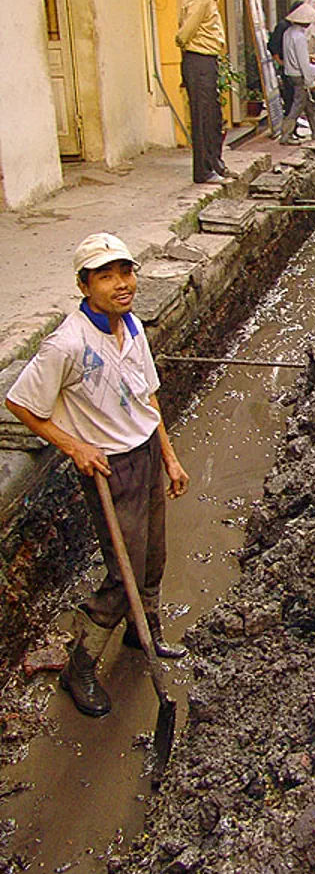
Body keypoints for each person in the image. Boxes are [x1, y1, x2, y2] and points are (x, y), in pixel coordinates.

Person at [5, 234, 190, 717]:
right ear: (84, 285)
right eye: (106, 276)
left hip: (146, 451)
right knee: (121, 571)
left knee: (153, 558)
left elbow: (148, 397)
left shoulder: (131, 325)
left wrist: (169, 457)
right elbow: (20, 402)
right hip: (112, 466)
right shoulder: (66, 344)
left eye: (125, 272)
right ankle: (79, 666)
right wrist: (74, 445)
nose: (121, 284)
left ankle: (141, 634)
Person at [176, 0, 230, 185]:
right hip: (198, 59)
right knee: (202, 117)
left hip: (206, 60)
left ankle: (213, 165)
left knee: (213, 116)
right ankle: (203, 171)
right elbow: (183, 34)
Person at [280, 3, 315, 143]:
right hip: (299, 74)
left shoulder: (288, 33)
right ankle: (285, 136)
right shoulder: (299, 37)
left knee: (308, 104)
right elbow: (303, 62)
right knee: (298, 105)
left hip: (290, 72)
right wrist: (310, 80)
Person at [268, 0, 303, 114]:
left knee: (295, 97)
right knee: (290, 96)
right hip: (287, 66)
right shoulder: (284, 26)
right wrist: (280, 61)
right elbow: (273, 45)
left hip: (292, 65)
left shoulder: (295, 28)